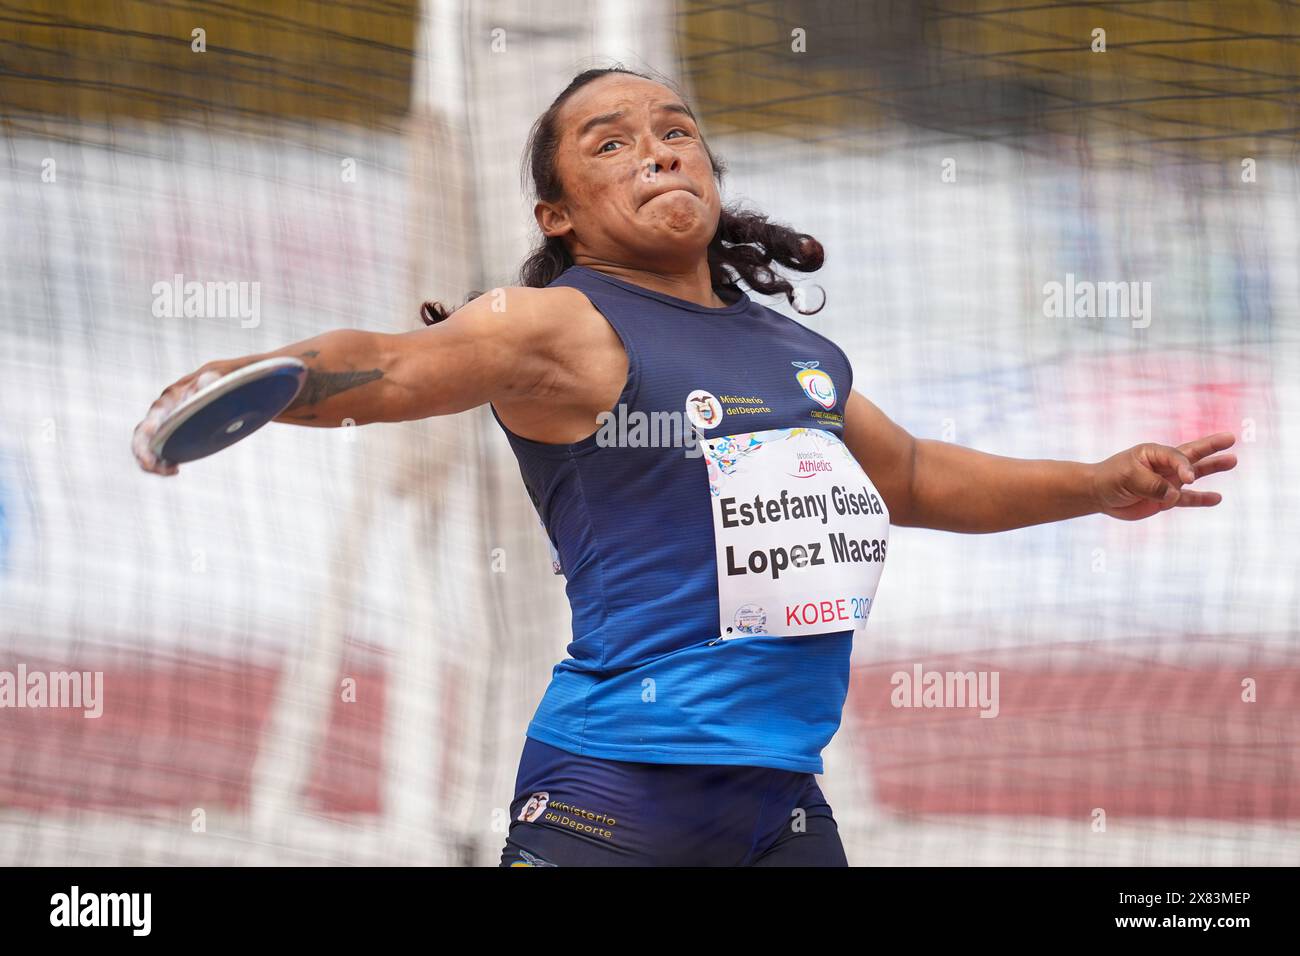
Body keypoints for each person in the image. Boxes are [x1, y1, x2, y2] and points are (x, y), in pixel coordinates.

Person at [132, 66, 1238, 866]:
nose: (658, 147)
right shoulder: (559, 325)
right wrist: (270, 376)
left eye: (676, 130)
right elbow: (391, 364)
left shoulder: (794, 353)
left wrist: (1095, 483)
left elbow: (912, 477)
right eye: (609, 141)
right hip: (615, 800)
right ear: (557, 215)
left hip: (781, 803)